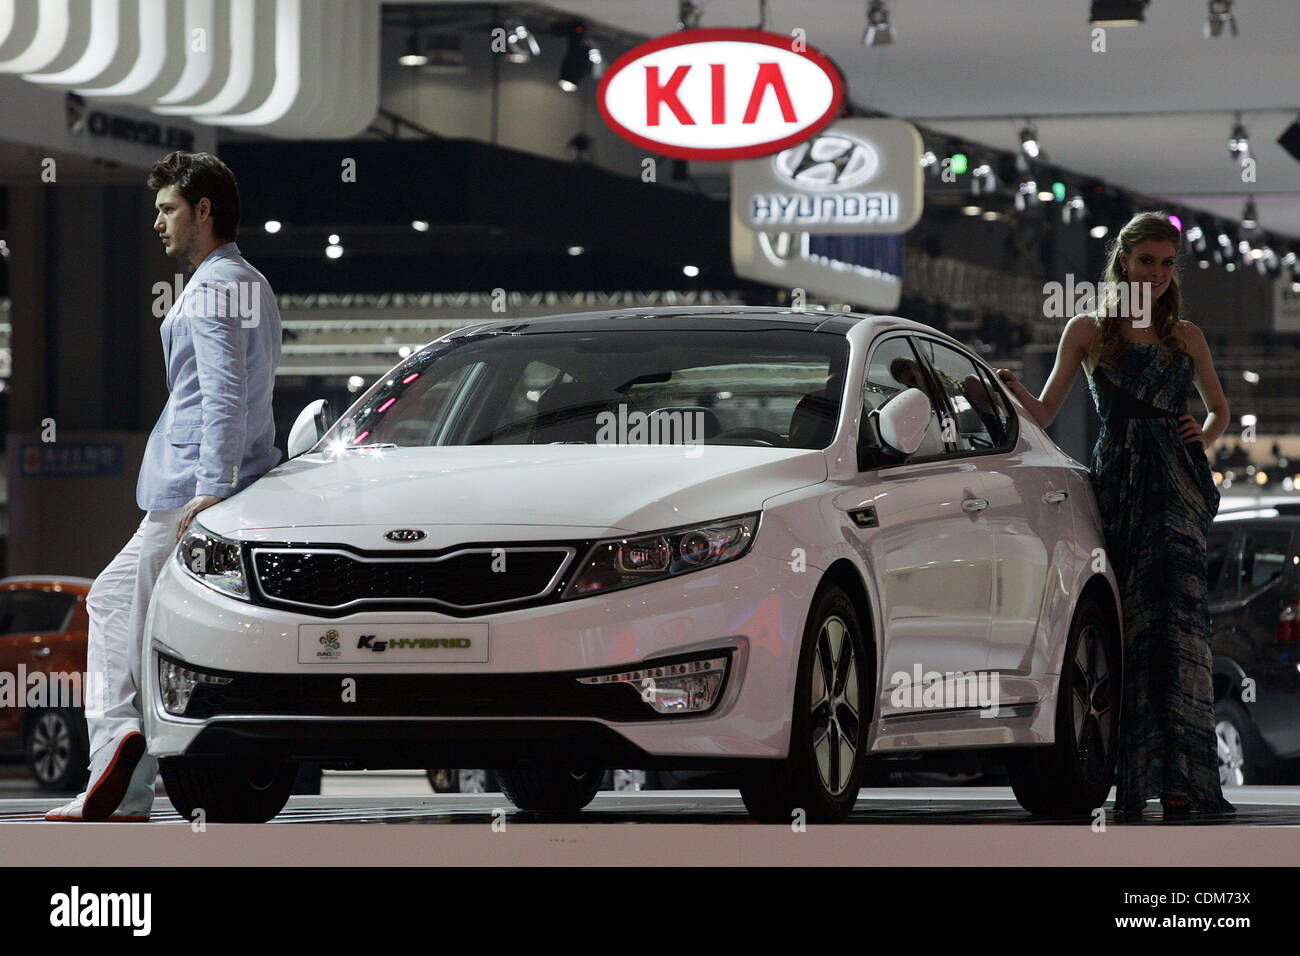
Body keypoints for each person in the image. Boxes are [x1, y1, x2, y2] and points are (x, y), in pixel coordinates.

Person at [47, 151, 282, 821]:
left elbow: (224, 392)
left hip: (189, 487)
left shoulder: (211, 288)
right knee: (116, 604)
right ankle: (125, 772)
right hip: (214, 481)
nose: (158, 222)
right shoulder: (251, 281)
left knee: (130, 620)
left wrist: (212, 486)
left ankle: (120, 758)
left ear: (204, 210)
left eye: (168, 208)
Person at [995, 211, 1235, 820]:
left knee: (1181, 631)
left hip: (1177, 485)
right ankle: (1135, 779)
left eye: (1166, 263)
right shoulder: (1088, 330)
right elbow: (1047, 414)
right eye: (1146, 261)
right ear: (1123, 261)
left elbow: (1219, 412)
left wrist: (1199, 432)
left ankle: (1184, 783)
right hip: (1123, 484)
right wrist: (1006, 392)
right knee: (1133, 628)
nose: (1156, 273)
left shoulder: (1188, 336)